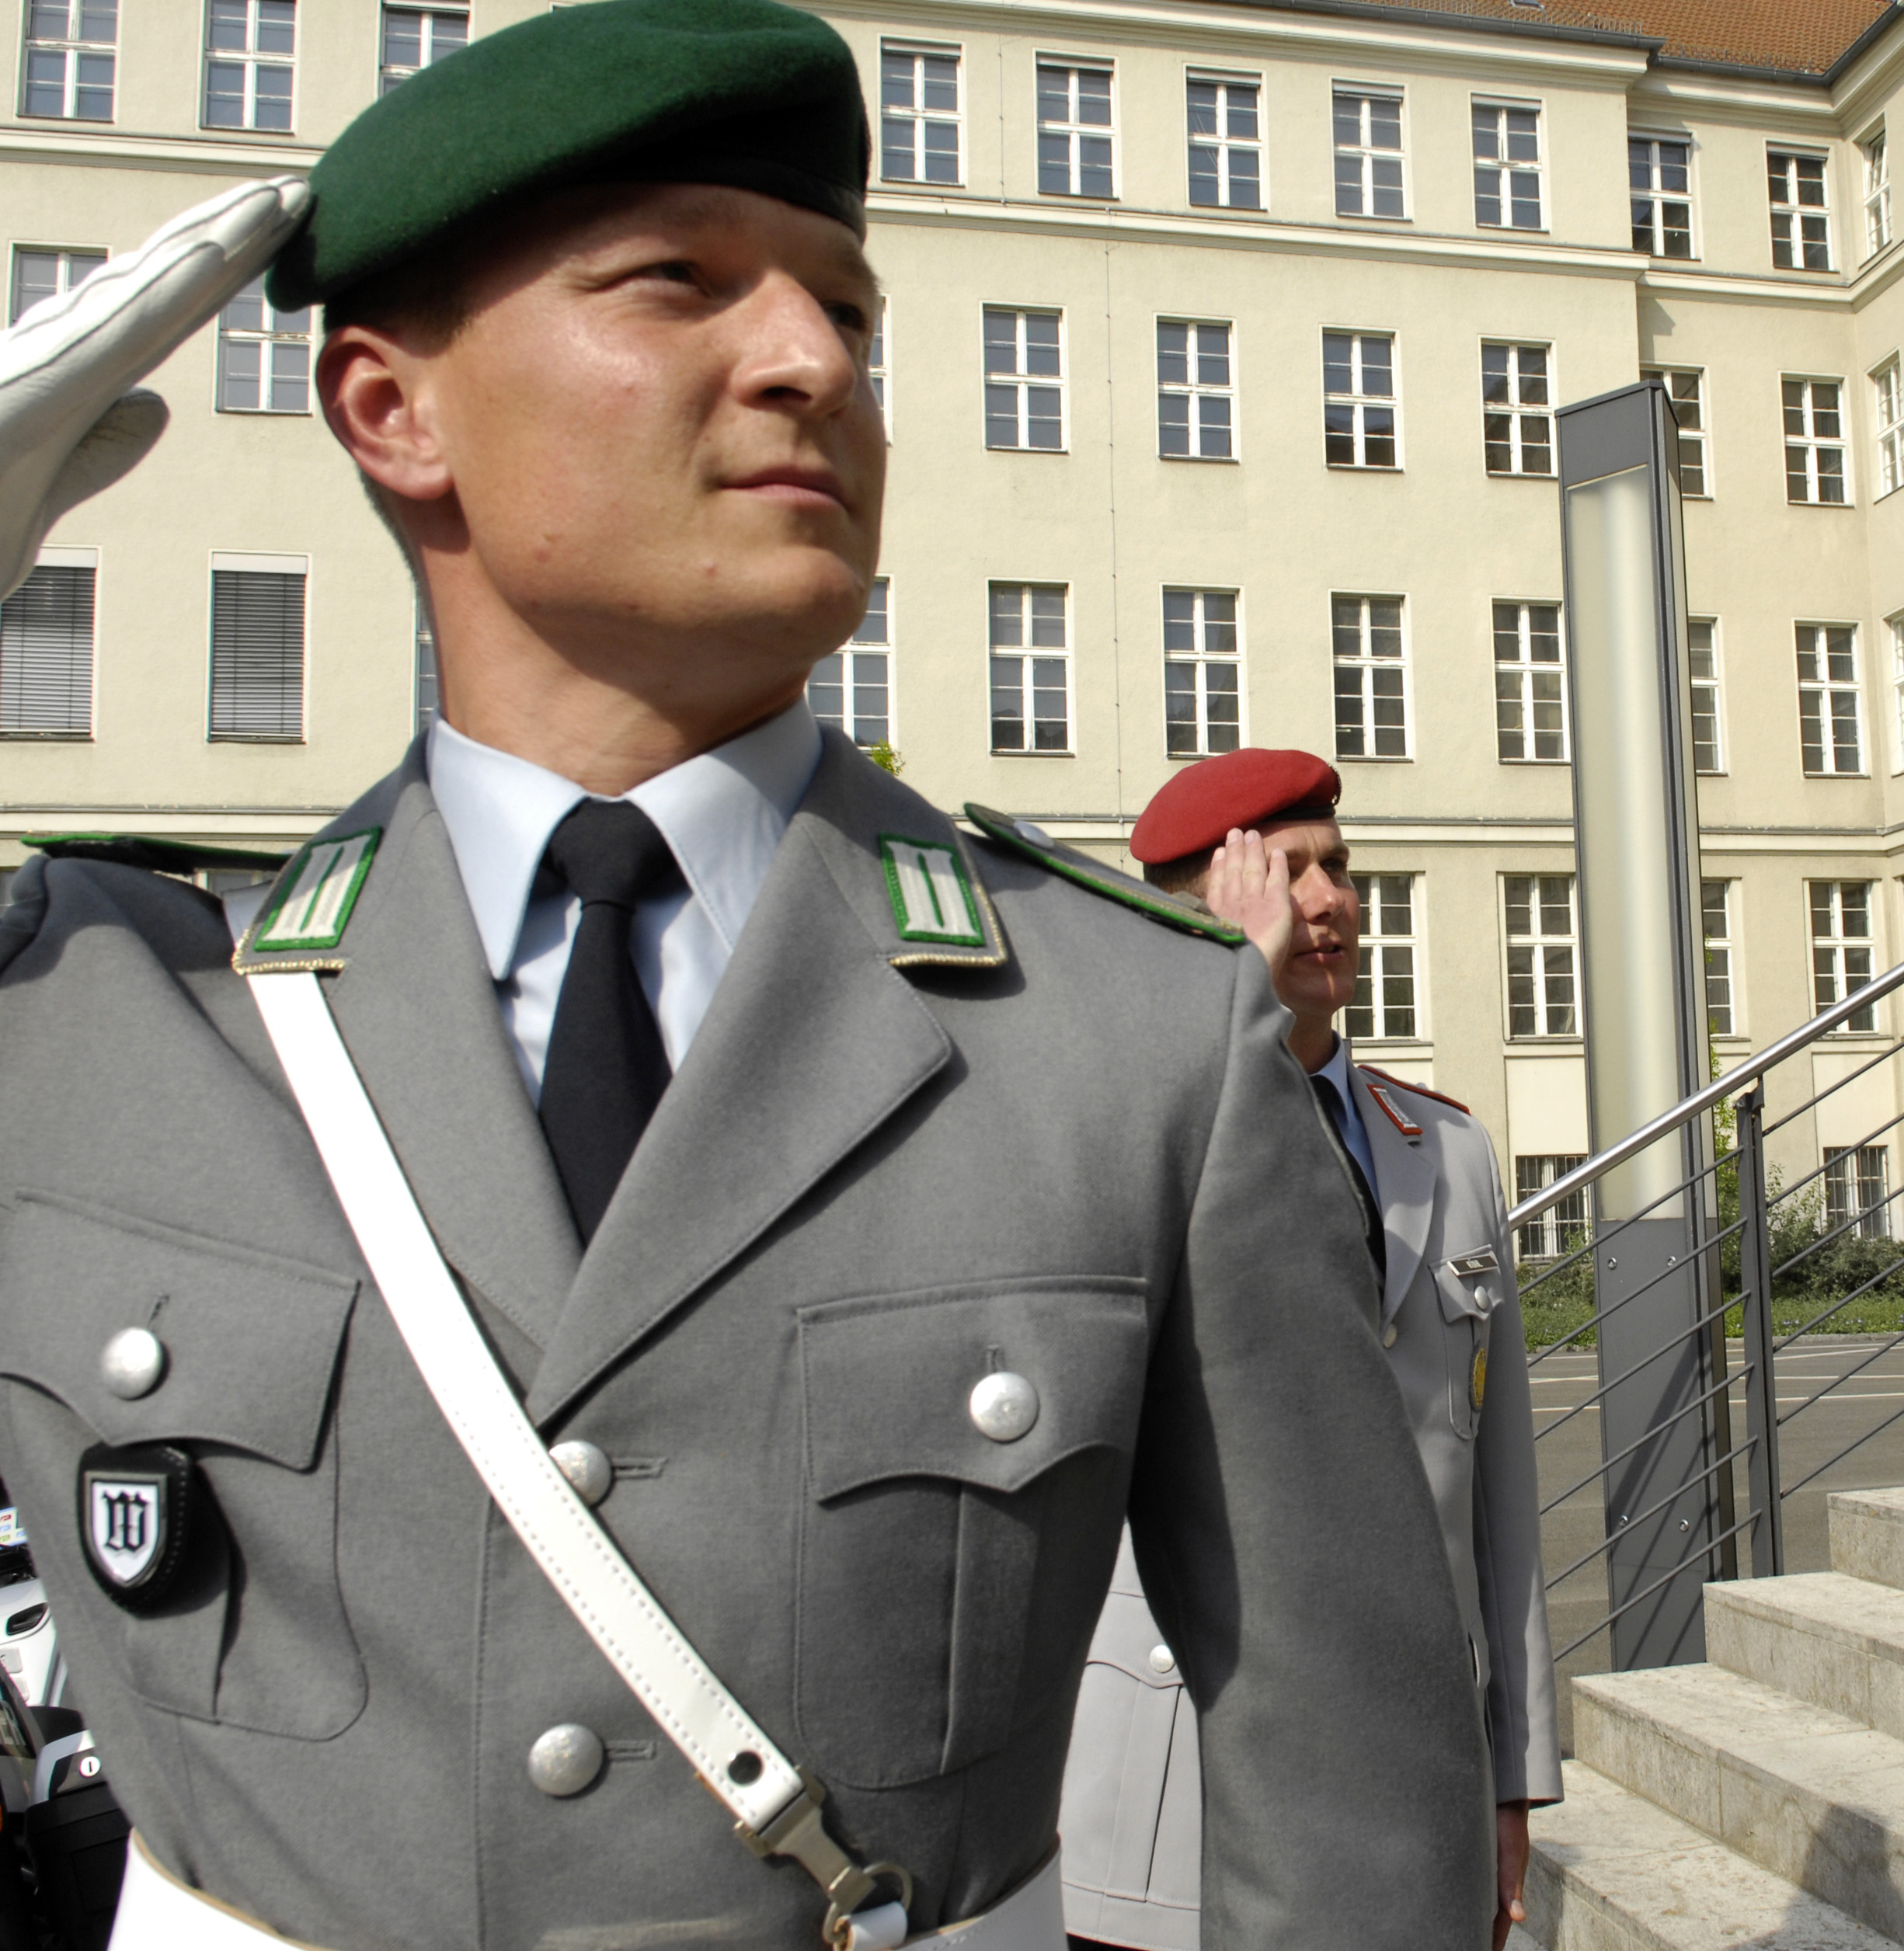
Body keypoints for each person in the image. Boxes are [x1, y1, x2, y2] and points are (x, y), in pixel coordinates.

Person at [0, 4, 1495, 1945]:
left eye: (846, 316)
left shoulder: (1126, 1035)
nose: (811, 362)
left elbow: (1349, 1791)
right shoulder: (94, 1014)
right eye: (678, 284)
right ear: (391, 409)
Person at [1057, 749, 1560, 1951]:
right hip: (1185, 1765)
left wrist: (1510, 1778)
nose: (1330, 900)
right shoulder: (1121, 1137)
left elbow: (1501, 1501)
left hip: (1408, 1767)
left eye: (1339, 868)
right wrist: (1227, 1000)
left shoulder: (1447, 1152)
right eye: (1286, 873)